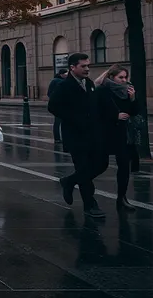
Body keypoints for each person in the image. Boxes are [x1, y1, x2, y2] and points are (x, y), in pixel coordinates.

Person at [49, 53, 108, 218]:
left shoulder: (88, 83)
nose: (87, 69)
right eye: (83, 66)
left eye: (88, 65)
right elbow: (52, 106)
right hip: (75, 136)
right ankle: (90, 204)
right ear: (72, 67)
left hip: (93, 134)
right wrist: (73, 118)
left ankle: (69, 181)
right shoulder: (64, 86)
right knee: (83, 168)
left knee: (101, 164)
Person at [94, 65, 139, 212]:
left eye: (126, 77)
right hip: (106, 133)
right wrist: (115, 116)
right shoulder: (102, 90)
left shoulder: (127, 91)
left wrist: (132, 99)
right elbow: (96, 113)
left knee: (124, 166)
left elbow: (134, 112)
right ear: (112, 77)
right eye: (121, 77)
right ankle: (71, 181)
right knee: (100, 165)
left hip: (122, 134)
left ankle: (122, 198)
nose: (124, 80)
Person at [48, 69, 68, 144]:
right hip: (61, 105)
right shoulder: (59, 81)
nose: (66, 75)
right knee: (61, 122)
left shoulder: (55, 80)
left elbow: (49, 93)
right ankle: (60, 138)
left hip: (57, 105)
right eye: (65, 74)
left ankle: (57, 138)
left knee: (58, 122)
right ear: (61, 74)